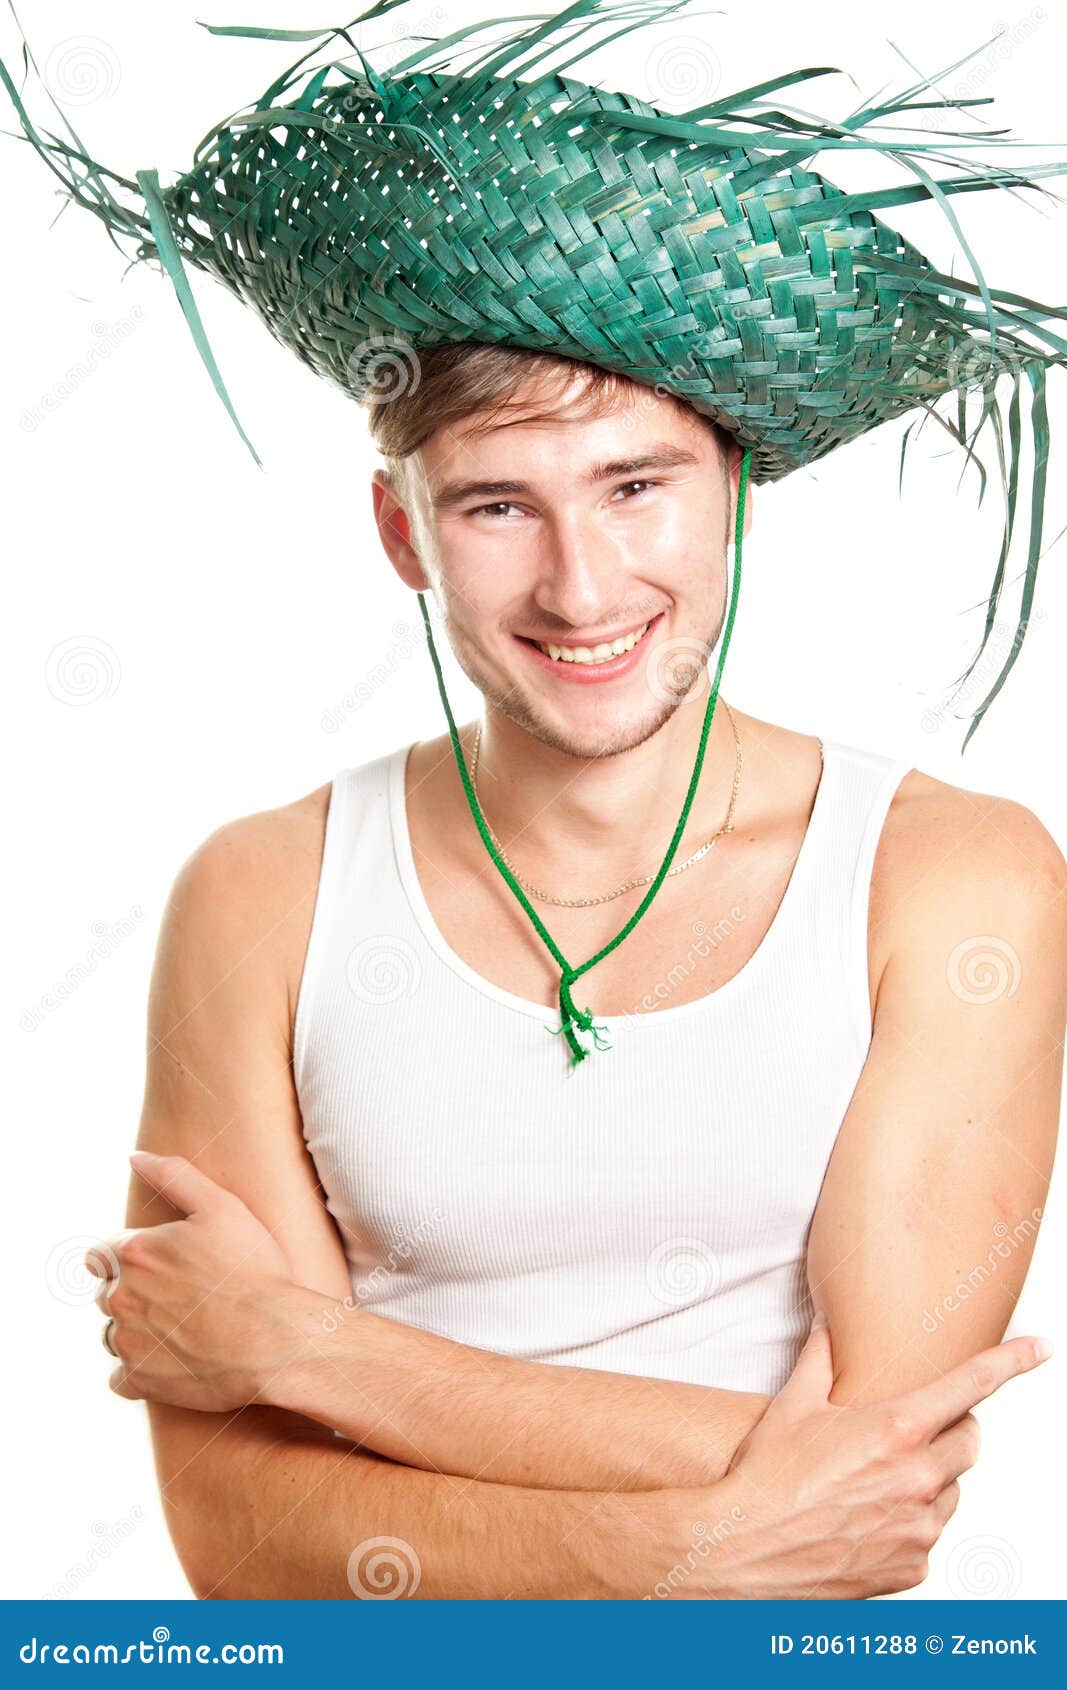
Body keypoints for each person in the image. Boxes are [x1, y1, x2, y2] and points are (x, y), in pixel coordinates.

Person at [4, 0, 1062, 1600]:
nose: (581, 585)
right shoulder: (264, 892)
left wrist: (305, 1352)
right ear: (404, 530)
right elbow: (240, 1540)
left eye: (637, 486)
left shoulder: (954, 880)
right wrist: (697, 1548)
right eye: (499, 502)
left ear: (733, 490)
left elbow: (883, 1471)